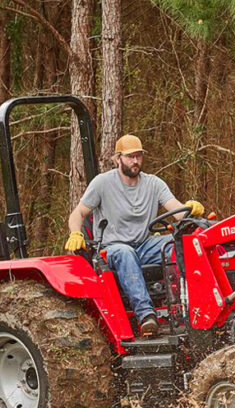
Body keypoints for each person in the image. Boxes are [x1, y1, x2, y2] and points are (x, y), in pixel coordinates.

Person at [65, 135, 203, 334]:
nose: (135, 161)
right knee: (125, 252)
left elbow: (177, 210)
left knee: (180, 243)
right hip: (112, 248)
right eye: (130, 157)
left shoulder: (153, 184)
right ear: (118, 158)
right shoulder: (102, 183)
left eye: (138, 156)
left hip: (144, 245)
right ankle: (146, 315)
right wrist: (76, 233)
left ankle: (189, 307)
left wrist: (190, 210)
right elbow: (78, 213)